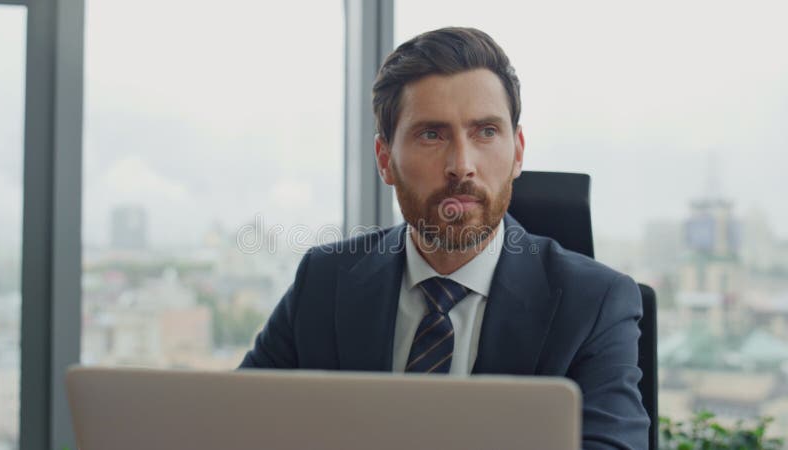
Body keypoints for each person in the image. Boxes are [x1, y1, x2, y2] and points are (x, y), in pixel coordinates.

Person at [239, 27, 648, 449]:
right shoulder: (324, 282)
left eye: (486, 132)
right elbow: (234, 423)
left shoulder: (596, 304)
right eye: (431, 134)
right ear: (385, 161)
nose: (461, 165)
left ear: (518, 152)